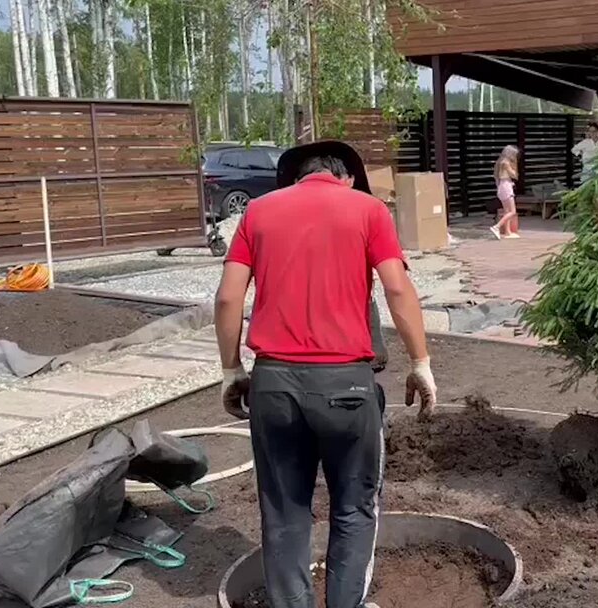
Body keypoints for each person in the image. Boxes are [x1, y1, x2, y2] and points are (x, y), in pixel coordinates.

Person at [214, 140, 437, 608]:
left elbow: (228, 298)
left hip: (273, 387)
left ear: (296, 177)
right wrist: (420, 363)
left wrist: (231, 369)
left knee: (283, 514)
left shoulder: (258, 212)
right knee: (355, 509)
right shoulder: (369, 210)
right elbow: (397, 288)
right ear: (347, 177)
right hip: (347, 388)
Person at [490, 145, 521, 240]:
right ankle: (497, 227)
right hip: (507, 186)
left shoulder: (500, 163)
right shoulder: (506, 163)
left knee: (506, 211)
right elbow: (514, 176)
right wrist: (515, 165)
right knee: (512, 211)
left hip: (501, 186)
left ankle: (508, 232)